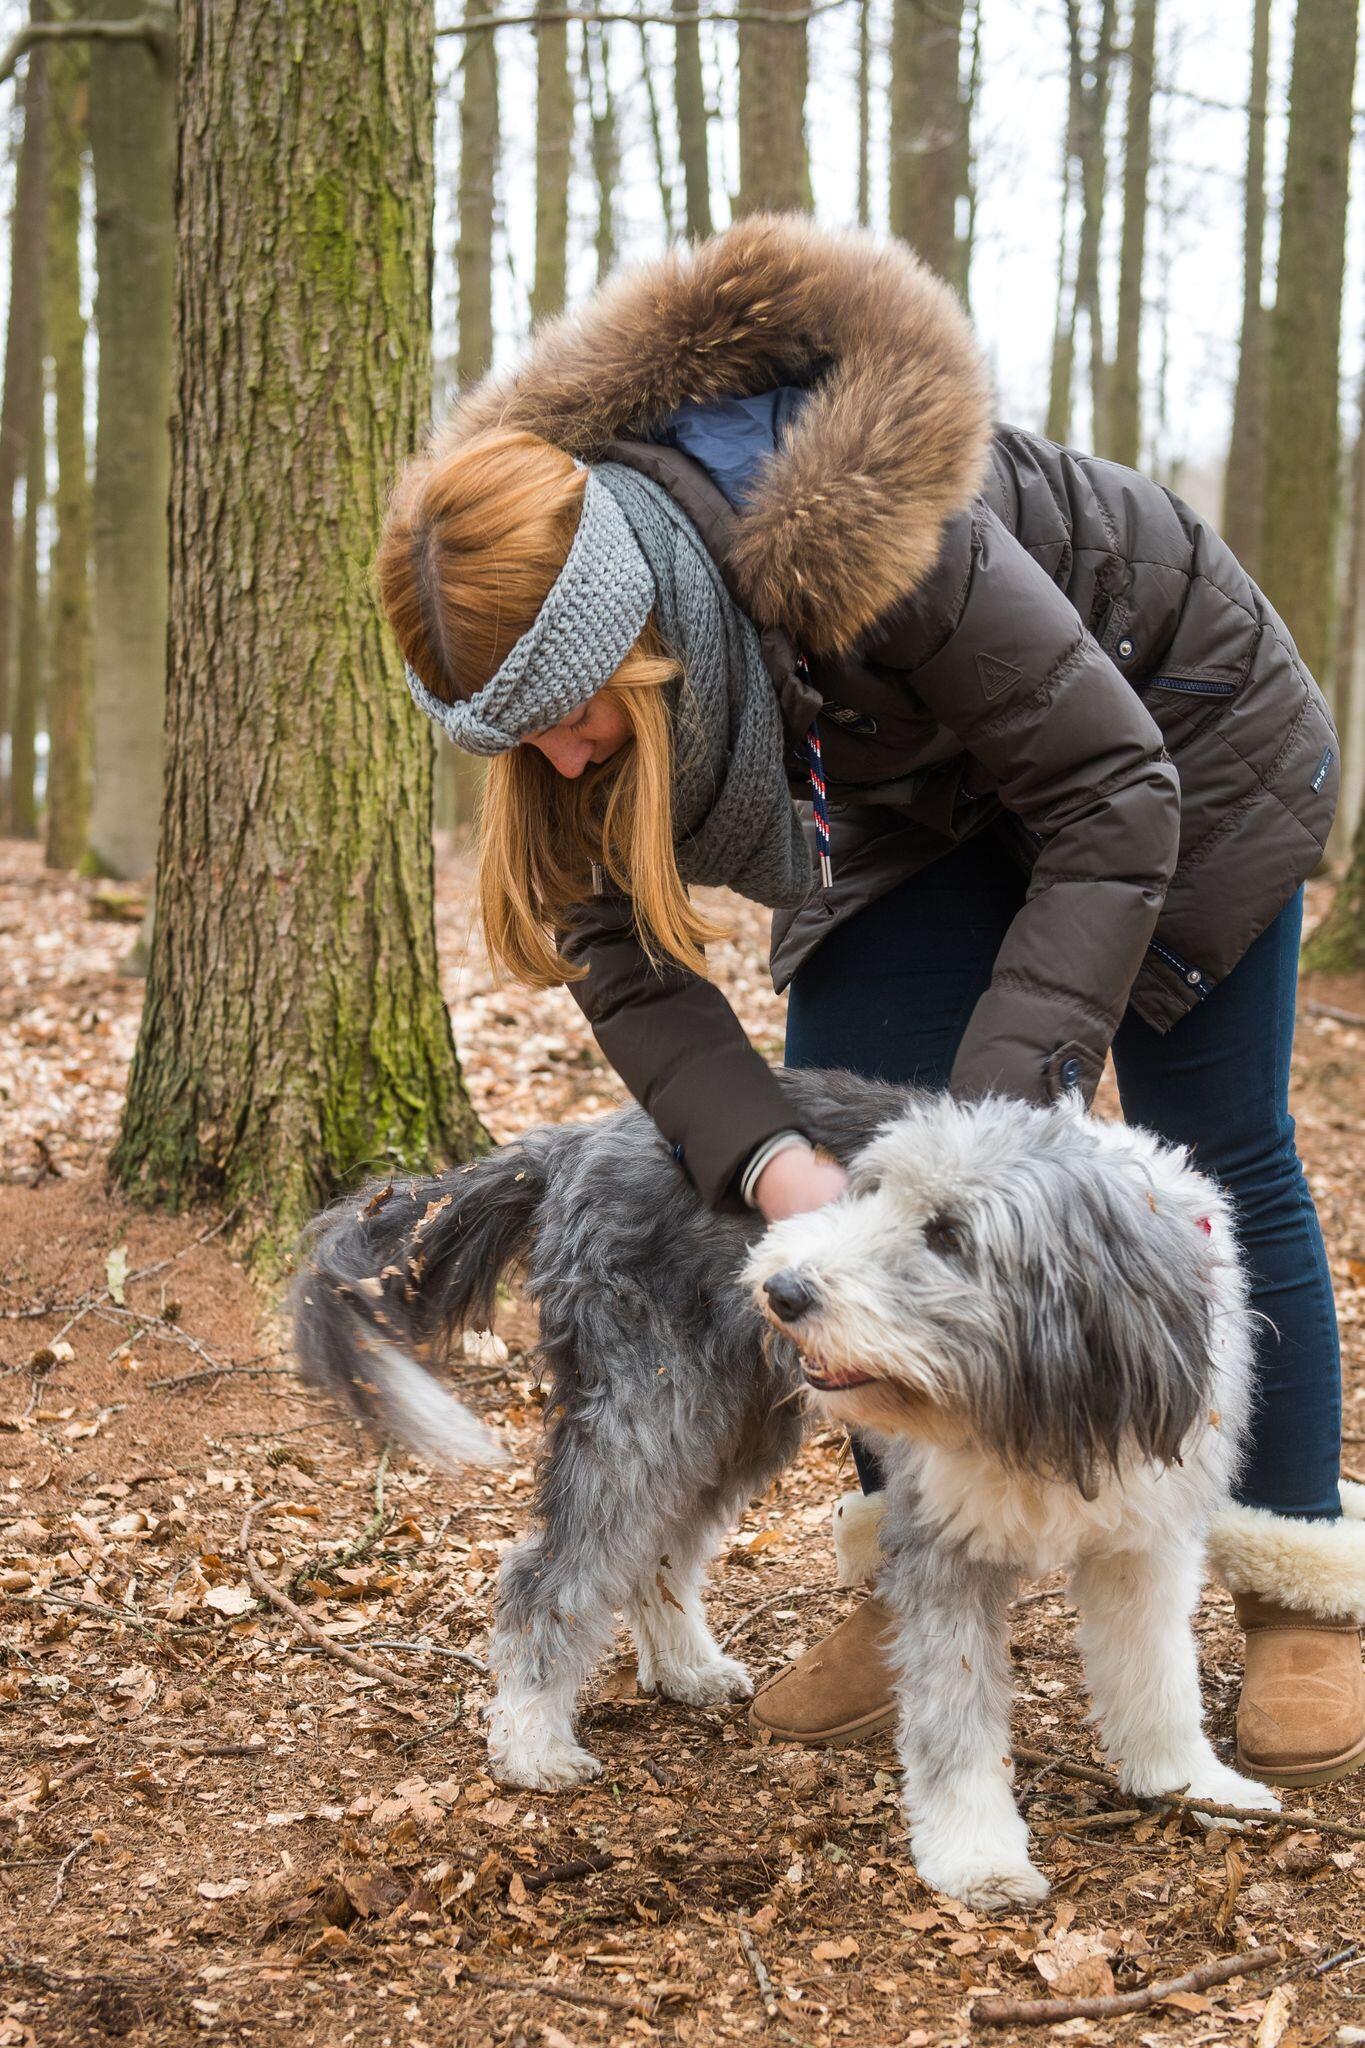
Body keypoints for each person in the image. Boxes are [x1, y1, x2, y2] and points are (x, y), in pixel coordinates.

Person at [377, 214, 1364, 1789]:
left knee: (1220, 1153)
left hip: (1169, 744)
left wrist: (998, 1132)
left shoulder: (844, 523)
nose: (560, 765)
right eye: (518, 742)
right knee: (848, 1167)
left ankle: (1294, 1582)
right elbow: (621, 958)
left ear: (642, 633)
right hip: (910, 807)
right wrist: (771, 1169)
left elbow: (1108, 796)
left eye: (574, 721)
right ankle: (914, 1576)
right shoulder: (562, 687)